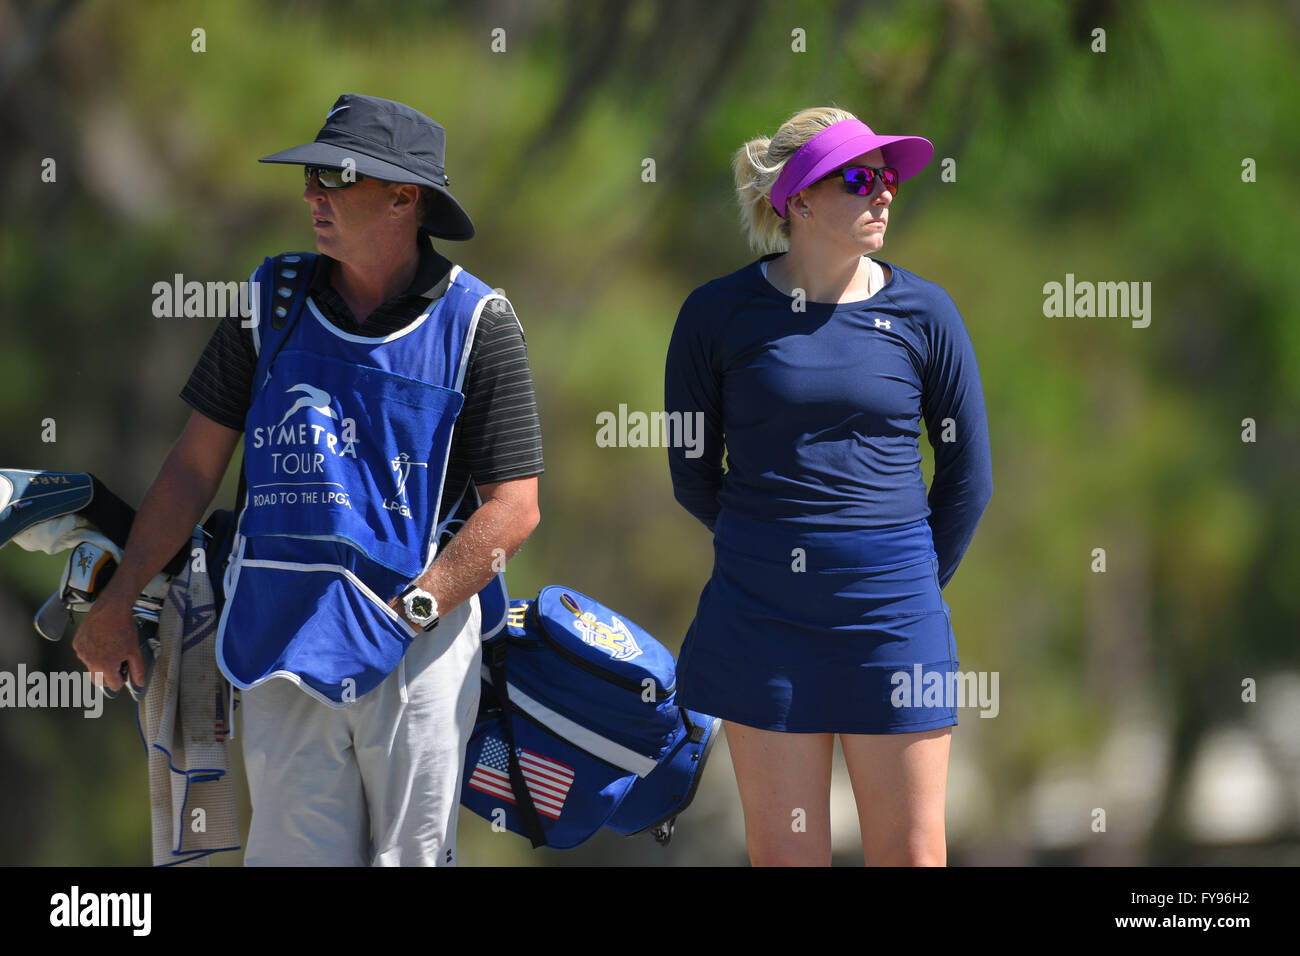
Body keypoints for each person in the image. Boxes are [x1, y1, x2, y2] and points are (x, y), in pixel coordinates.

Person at [72, 93, 544, 866]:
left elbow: (514, 510)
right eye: (309, 175)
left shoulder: (478, 322)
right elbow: (193, 468)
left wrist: (411, 611)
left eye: (334, 176)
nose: (309, 195)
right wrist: (120, 598)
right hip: (278, 634)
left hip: (415, 646)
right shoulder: (270, 300)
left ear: (403, 197)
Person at [664, 106, 992, 866]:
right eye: (859, 177)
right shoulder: (715, 315)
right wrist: (771, 551)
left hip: (893, 613)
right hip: (761, 616)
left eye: (888, 177)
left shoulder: (926, 313)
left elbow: (969, 477)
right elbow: (690, 472)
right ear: (799, 199)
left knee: (912, 854)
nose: (883, 192)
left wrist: (901, 577)